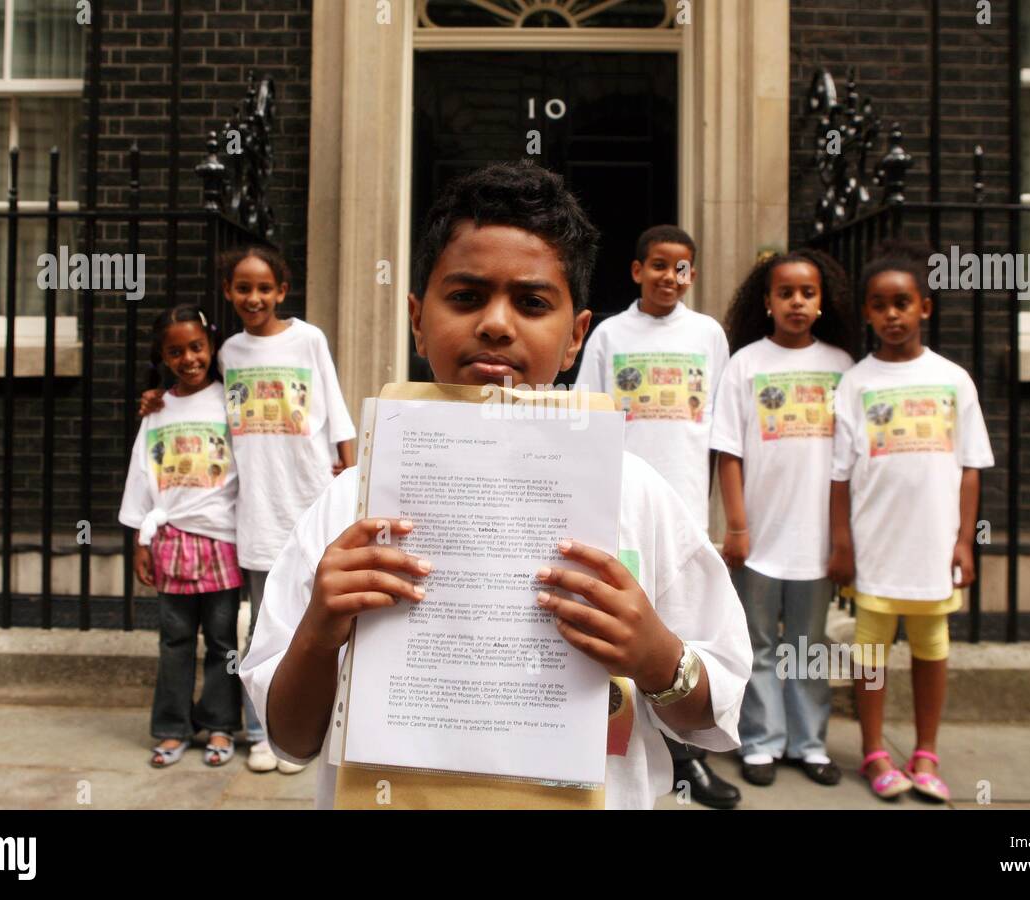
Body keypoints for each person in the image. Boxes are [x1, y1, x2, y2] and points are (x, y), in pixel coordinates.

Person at [239, 161, 754, 810]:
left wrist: (658, 659)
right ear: (417, 318)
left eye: (533, 302)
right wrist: (319, 629)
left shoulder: (637, 496)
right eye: (466, 296)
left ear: (575, 338)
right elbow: (290, 737)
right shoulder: (352, 506)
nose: (497, 324)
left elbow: (713, 711)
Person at [140, 247, 357, 774]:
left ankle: (320, 725)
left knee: (320, 615)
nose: (253, 297)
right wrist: (157, 400)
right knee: (262, 624)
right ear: (228, 293)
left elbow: (338, 411)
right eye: (242, 287)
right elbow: (194, 390)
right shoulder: (229, 352)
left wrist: (353, 477)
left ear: (282, 290)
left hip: (308, 497)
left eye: (264, 287)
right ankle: (264, 730)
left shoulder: (309, 339)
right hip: (256, 510)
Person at [573, 224, 738, 808]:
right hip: (623, 506)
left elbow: (720, 429)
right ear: (638, 270)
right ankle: (622, 758)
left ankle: (691, 766)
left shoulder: (709, 334)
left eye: (684, 267)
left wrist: (723, 513)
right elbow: (588, 414)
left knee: (681, 644)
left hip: (687, 506)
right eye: (661, 265)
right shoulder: (611, 334)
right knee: (622, 641)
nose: (672, 276)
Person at [827, 241, 994, 802]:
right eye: (879, 305)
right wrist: (842, 542)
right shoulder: (856, 382)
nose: (891, 315)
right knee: (871, 655)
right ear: (868, 313)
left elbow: (971, 470)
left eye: (902, 303)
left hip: (932, 550)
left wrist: (965, 544)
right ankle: (875, 751)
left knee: (931, 648)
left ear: (925, 307)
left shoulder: (954, 380)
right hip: (876, 550)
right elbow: (840, 475)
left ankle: (926, 751)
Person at [711, 249, 857, 789]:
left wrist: (846, 539)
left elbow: (853, 460)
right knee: (758, 643)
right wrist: (738, 526)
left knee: (807, 644)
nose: (797, 302)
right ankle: (761, 741)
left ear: (822, 302)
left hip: (818, 539)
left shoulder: (842, 367)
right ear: (767, 301)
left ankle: (809, 742)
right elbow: (729, 452)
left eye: (808, 293)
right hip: (760, 536)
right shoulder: (745, 364)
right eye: (786, 293)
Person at [120, 305, 243, 768]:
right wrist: (139, 541)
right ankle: (172, 728)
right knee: (173, 641)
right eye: (176, 351)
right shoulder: (158, 408)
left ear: (211, 346)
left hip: (222, 539)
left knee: (222, 641)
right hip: (171, 541)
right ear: (164, 356)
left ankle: (218, 725)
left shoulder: (230, 400)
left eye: (196, 347)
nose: (188, 358)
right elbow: (140, 472)